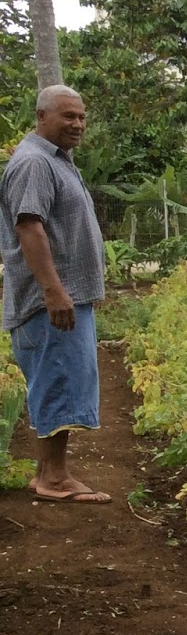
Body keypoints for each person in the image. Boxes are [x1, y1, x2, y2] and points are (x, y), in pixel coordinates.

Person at [0, 85, 109, 504]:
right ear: (42, 116)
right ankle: (55, 479)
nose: (77, 124)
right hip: (50, 301)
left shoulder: (55, 160)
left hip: (64, 297)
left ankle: (50, 472)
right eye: (68, 116)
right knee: (57, 379)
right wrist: (53, 291)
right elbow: (30, 227)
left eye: (81, 117)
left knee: (61, 378)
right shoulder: (33, 163)